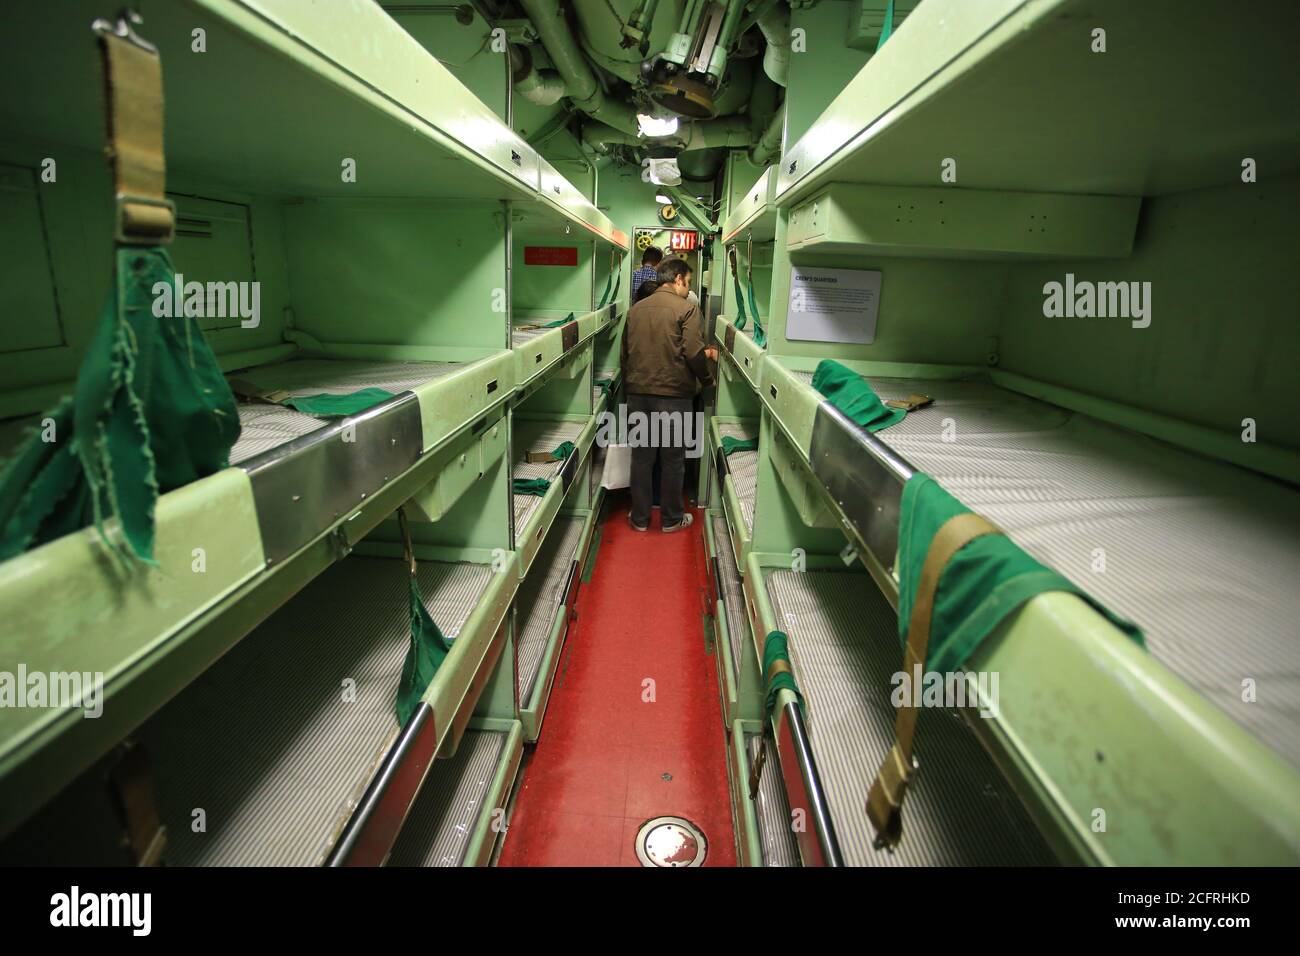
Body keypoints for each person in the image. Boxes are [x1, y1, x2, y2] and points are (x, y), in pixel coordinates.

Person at [621, 257, 718, 533]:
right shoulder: (687, 310)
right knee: (673, 460)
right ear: (677, 279)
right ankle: (671, 519)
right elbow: (693, 353)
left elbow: (624, 356)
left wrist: (631, 389)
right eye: (687, 282)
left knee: (641, 458)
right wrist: (707, 380)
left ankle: (639, 519)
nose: (688, 288)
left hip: (639, 395)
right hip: (674, 397)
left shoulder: (635, 310)